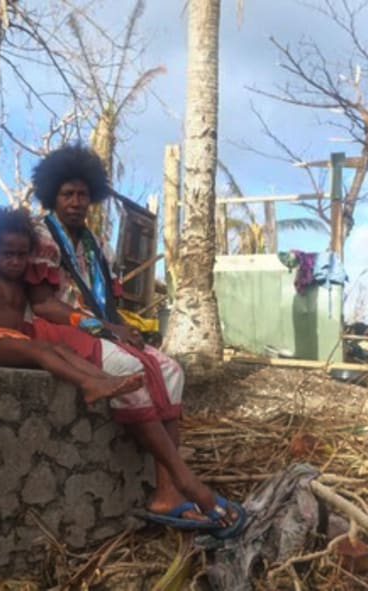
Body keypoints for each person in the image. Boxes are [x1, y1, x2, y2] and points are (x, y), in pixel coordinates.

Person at [24, 144, 246, 535]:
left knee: (171, 369)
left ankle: (166, 493)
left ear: (92, 197)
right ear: (52, 196)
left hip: (96, 329)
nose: (76, 202)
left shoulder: (95, 245)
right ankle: (186, 480)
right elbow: (42, 304)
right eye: (67, 194)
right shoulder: (41, 236)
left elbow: (108, 301)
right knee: (128, 368)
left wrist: (125, 328)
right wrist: (102, 328)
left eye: (82, 194)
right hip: (53, 330)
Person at [0, 206, 143, 403]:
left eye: (22, 255)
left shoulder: (24, 282)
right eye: (8, 254)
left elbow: (44, 304)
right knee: (40, 351)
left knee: (61, 348)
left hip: (17, 340)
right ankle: (88, 384)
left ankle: (107, 381)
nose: (15, 261)